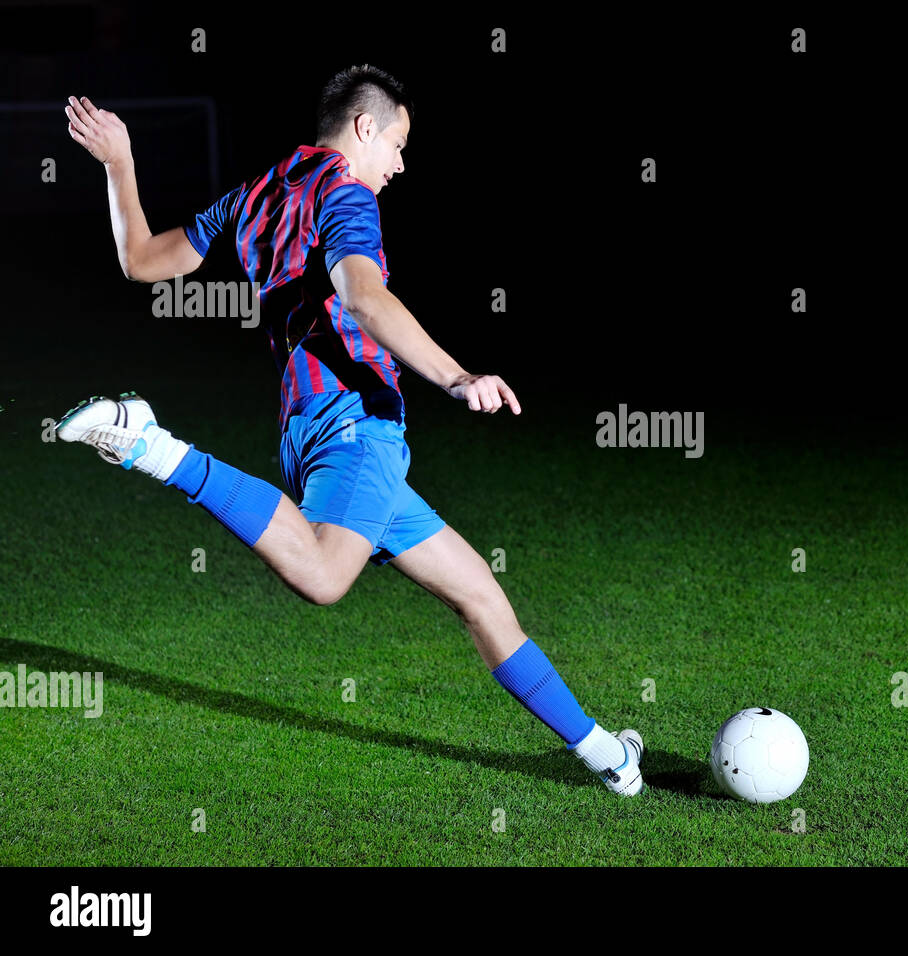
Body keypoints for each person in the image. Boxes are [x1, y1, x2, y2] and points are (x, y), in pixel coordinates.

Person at [55, 64, 644, 796]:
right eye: (397, 143)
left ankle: (607, 756)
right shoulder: (346, 193)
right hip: (355, 428)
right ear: (364, 127)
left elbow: (141, 261)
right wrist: (459, 376)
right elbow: (363, 297)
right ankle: (155, 448)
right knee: (328, 574)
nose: (400, 163)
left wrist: (120, 161)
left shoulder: (261, 192)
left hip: (314, 433)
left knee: (481, 595)